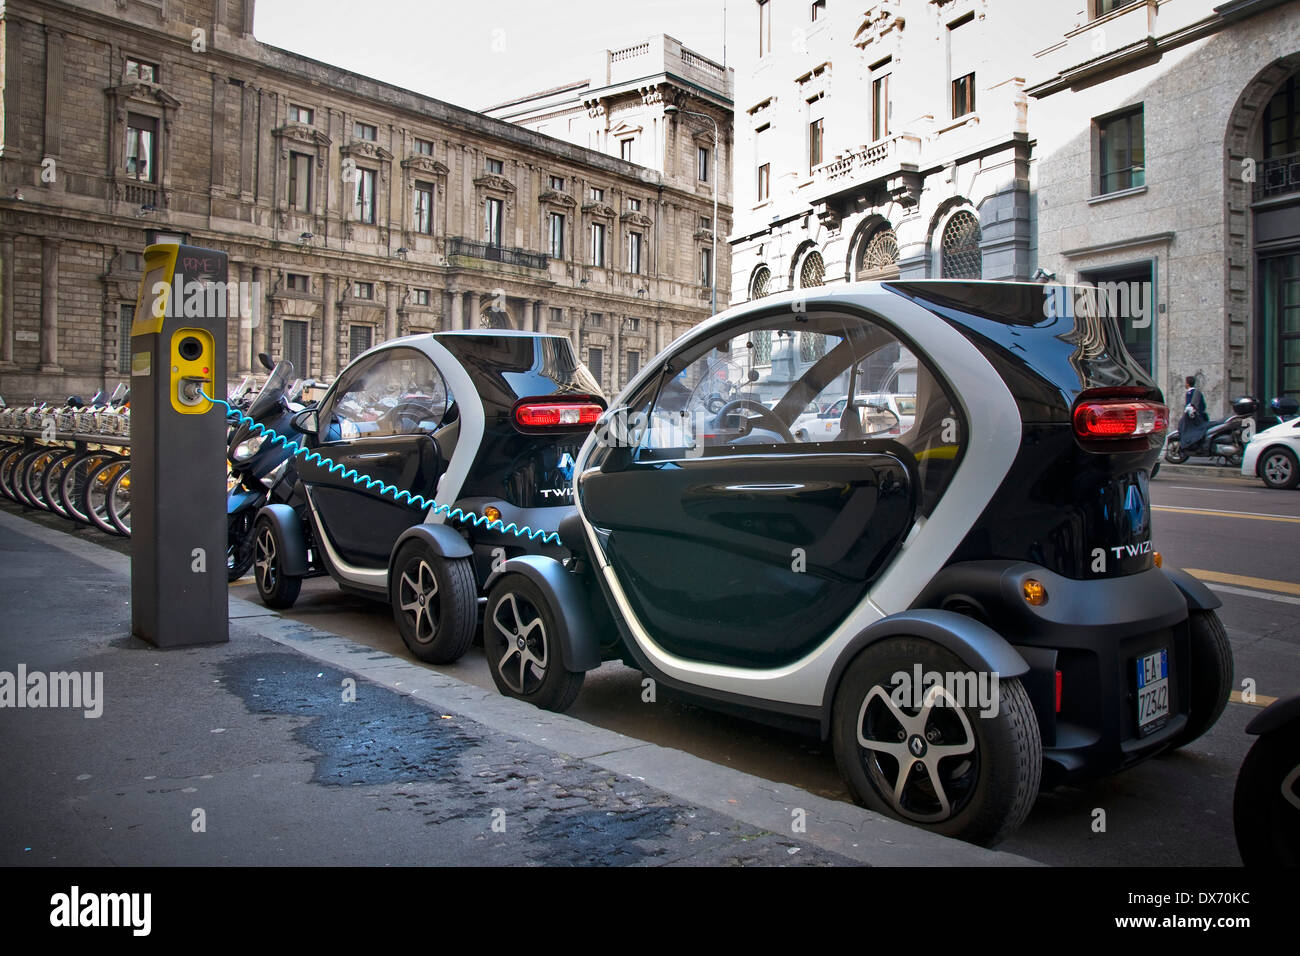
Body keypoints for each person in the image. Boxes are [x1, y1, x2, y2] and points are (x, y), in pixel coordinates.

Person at [1180, 375, 1208, 446]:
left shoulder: (1189, 393)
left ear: (1187, 384)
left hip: (1195, 417)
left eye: (1185, 382)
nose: (1185, 384)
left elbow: (1189, 406)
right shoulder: (1197, 392)